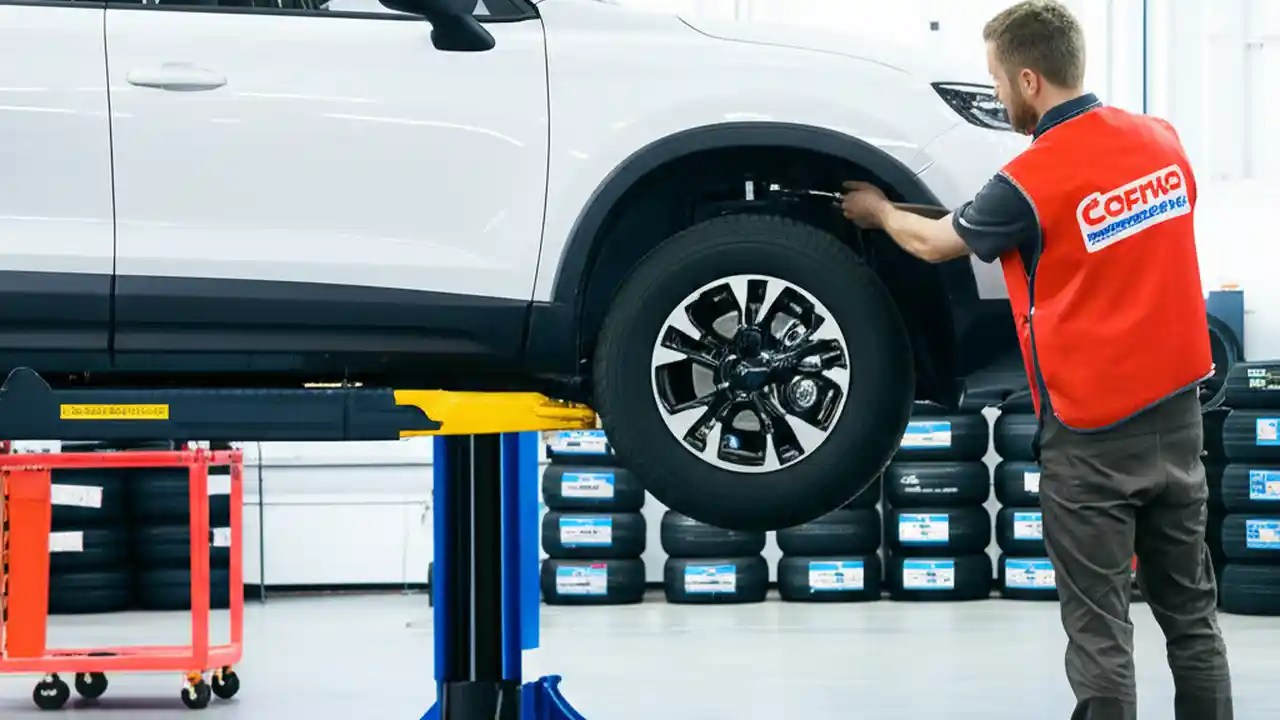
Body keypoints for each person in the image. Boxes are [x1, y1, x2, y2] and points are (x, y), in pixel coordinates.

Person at [839, 2, 1234, 719]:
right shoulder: (1162, 141)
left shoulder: (1033, 178)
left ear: (1029, 79)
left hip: (1092, 435)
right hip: (1180, 421)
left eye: (995, 80)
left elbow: (934, 245)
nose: (995, 95)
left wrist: (878, 211)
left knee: (1100, 630)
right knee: (1193, 621)